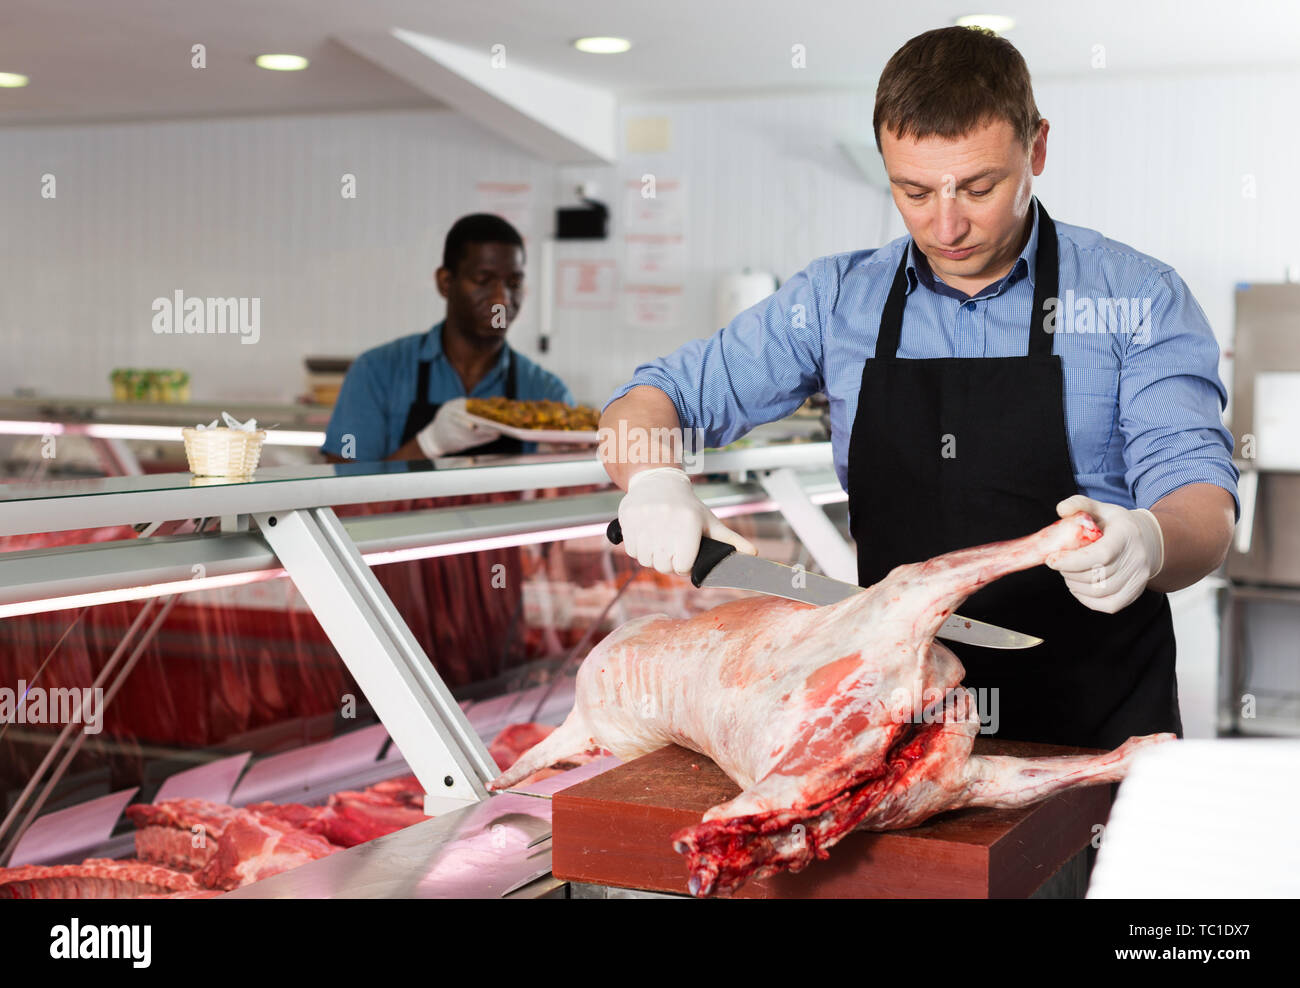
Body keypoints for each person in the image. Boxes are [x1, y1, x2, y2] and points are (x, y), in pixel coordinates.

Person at [598, 27, 1238, 750]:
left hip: (1096, 732)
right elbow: (651, 400)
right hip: (901, 731)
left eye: (978, 186)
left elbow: (1204, 507)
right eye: (912, 190)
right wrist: (652, 478)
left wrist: (1149, 541)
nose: (946, 223)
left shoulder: (1138, 296)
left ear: (1037, 149)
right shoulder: (838, 298)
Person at [322, 213, 573, 463]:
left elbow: (579, 492)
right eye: (483, 280)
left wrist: (572, 464)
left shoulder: (547, 393)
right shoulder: (376, 372)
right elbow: (343, 494)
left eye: (514, 282)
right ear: (445, 282)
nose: (502, 299)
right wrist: (427, 444)